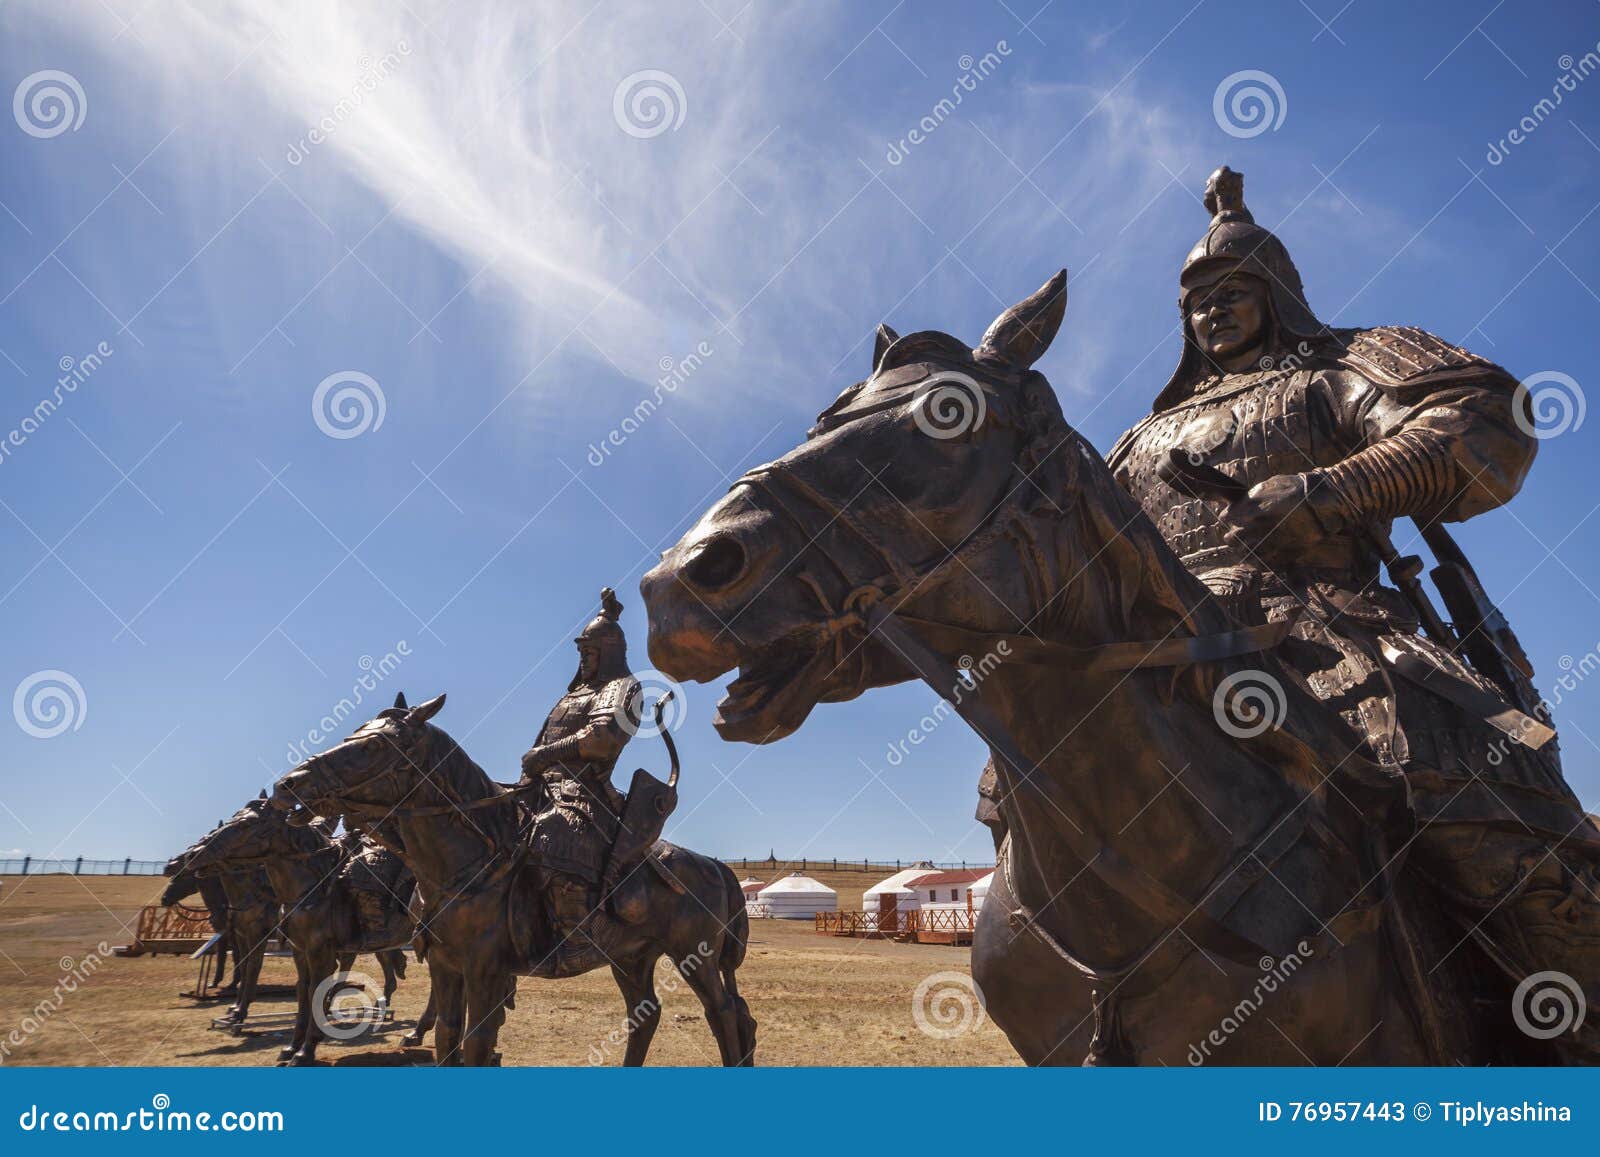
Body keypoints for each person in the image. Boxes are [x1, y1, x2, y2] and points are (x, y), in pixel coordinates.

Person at [1107, 166, 1600, 1060]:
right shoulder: (1137, 441)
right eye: (1197, 302)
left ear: (1277, 296)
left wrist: (1336, 489)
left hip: (1329, 637)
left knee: (1490, 824)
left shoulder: (1332, 371)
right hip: (1161, 664)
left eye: (1233, 293)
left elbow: (1484, 419)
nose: (1211, 312)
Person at [518, 588, 641, 945]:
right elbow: (541, 741)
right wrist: (529, 776)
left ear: (610, 653)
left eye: (590, 651)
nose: (584, 658)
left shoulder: (623, 689)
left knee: (555, 832)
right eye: (581, 652)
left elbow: (600, 738)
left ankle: (574, 932)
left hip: (585, 794)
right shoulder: (571, 695)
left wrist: (543, 756)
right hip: (541, 786)